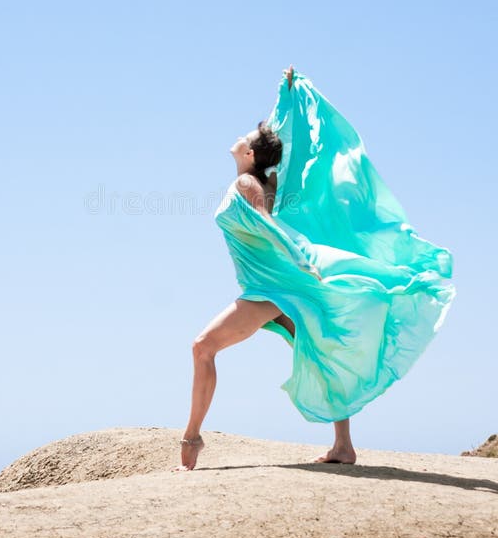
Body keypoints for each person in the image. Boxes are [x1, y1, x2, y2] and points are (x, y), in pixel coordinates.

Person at [172, 65, 455, 472]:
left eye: (244, 139)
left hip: (272, 287)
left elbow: (268, 226)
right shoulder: (263, 180)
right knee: (321, 350)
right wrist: (287, 94)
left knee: (203, 348)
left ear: (250, 155)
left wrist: (303, 259)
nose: (239, 138)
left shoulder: (248, 185)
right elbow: (277, 134)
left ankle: (192, 438)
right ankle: (343, 445)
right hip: (279, 284)